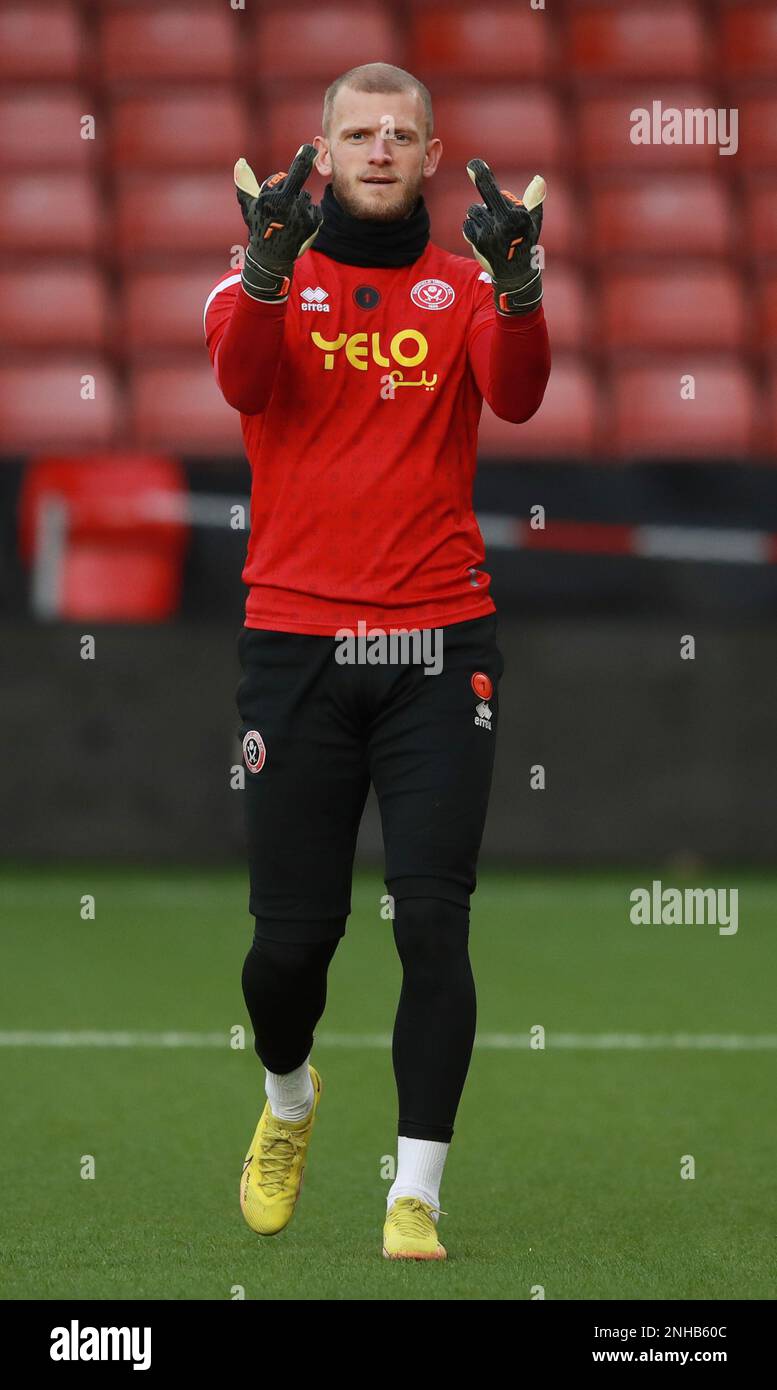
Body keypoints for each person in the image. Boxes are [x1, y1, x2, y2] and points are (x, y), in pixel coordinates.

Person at [203, 61, 550, 1261]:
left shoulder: (463, 289)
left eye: (404, 133)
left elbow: (520, 397)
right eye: (362, 132)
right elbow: (238, 379)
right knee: (288, 948)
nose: (382, 148)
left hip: (439, 649)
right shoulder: (267, 273)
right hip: (294, 645)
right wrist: (262, 272)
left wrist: (519, 283)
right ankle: (291, 1098)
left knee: (432, 925)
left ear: (436, 154)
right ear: (325, 147)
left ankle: (416, 1194)